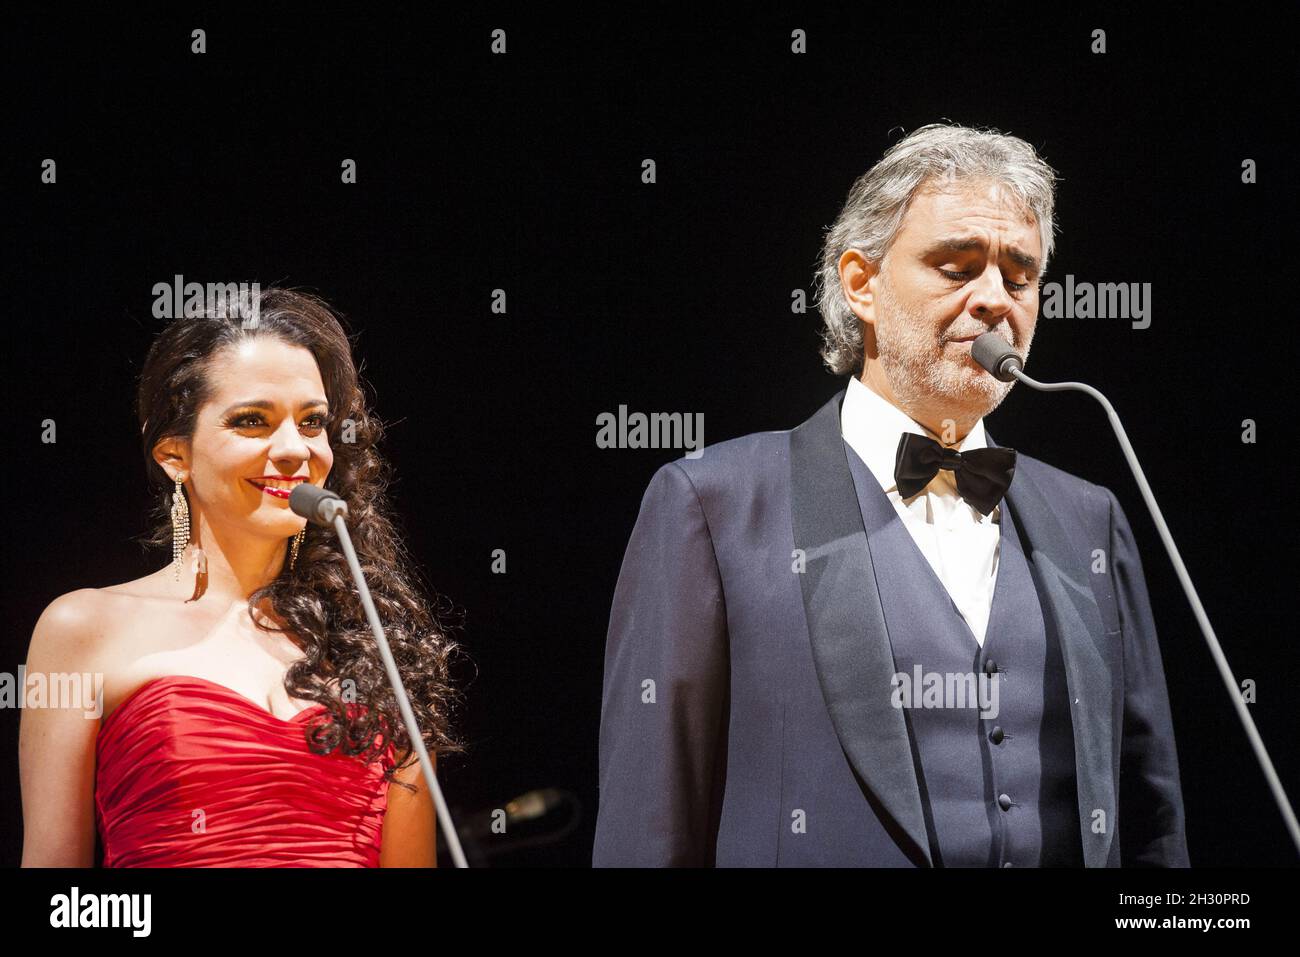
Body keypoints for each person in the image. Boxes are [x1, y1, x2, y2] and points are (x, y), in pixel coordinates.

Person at [594, 123, 1189, 867]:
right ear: (861, 284)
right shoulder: (711, 508)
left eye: (1019, 274)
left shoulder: (1090, 519)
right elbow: (647, 831)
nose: (994, 300)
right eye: (956, 266)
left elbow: (1152, 823)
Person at [19, 286, 463, 867]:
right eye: (252, 421)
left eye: (312, 422)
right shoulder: (82, 628)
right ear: (174, 454)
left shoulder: (377, 649)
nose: (293, 450)